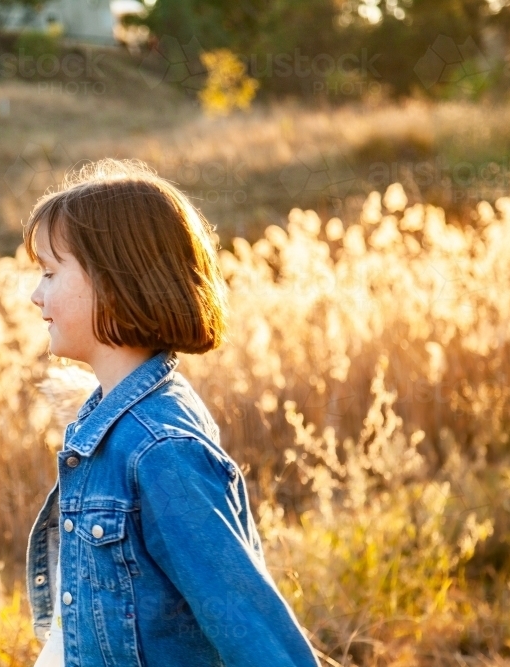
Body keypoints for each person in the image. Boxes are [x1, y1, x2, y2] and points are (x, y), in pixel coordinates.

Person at [24, 159, 320, 667]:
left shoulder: (162, 449)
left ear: (115, 283)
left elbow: (247, 619)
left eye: (51, 272)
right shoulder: (108, 427)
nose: (36, 295)